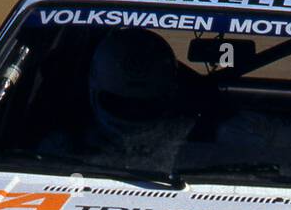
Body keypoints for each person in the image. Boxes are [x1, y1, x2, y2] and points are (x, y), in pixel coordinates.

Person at [40, 29, 192, 161]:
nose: (132, 112)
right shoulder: (57, 150)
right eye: (120, 104)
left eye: (144, 106)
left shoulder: (192, 147)